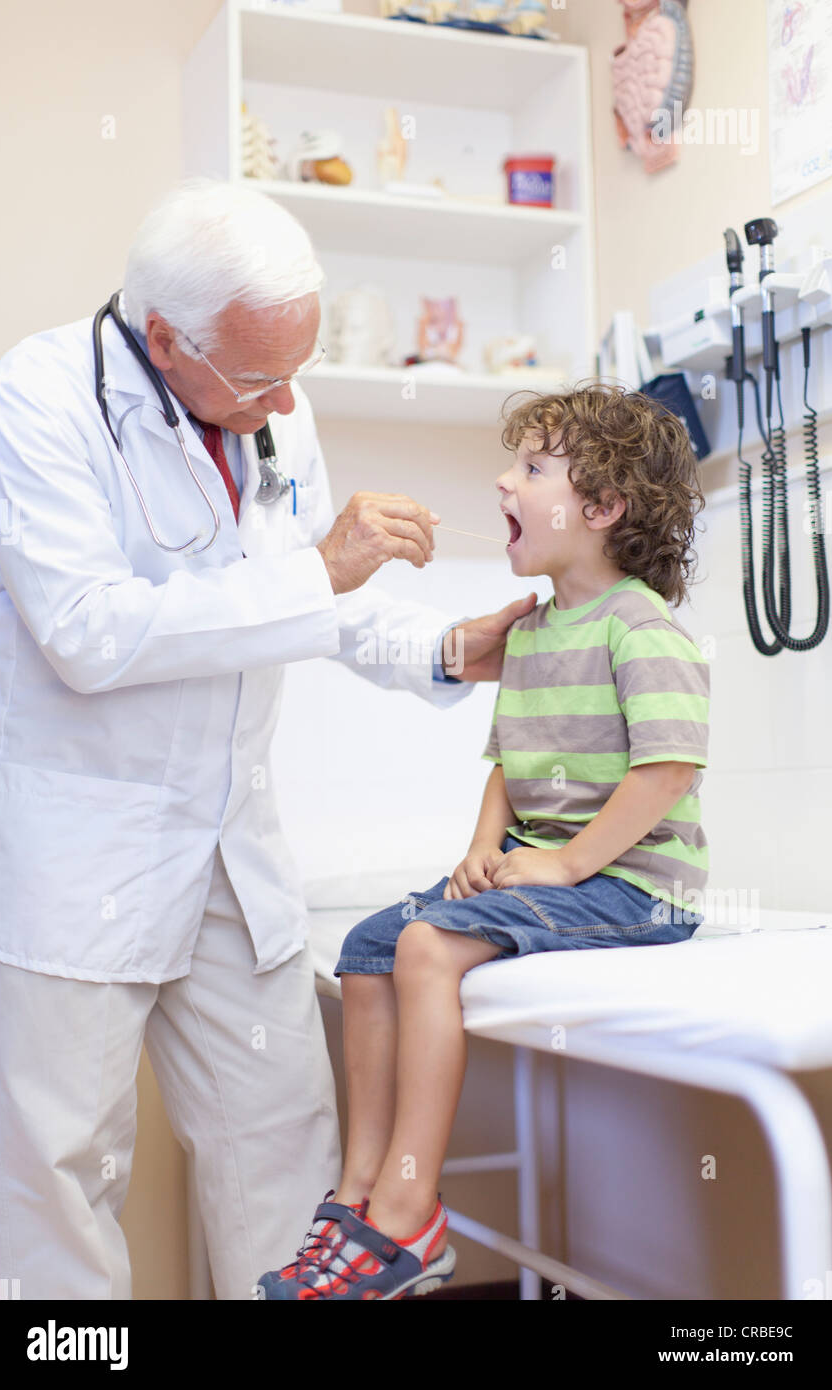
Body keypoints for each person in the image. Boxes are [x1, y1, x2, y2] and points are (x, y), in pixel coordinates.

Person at [0, 178, 536, 1300]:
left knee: (282, 1143)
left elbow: (312, 605)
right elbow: (88, 633)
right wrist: (315, 568)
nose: (285, 398)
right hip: (80, 849)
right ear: (166, 339)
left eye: (300, 369)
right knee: (64, 1170)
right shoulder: (37, 400)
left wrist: (444, 648)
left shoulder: (271, 402)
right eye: (259, 375)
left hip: (231, 841)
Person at [258, 382, 711, 1300]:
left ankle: (410, 1212)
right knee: (368, 948)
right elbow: (506, 761)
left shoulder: (639, 625)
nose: (504, 482)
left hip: (632, 884)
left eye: (532, 468)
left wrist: (569, 860)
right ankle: (360, 1191)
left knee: (426, 947)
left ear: (601, 507)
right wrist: (484, 848)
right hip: (552, 874)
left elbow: (669, 769)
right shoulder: (533, 633)